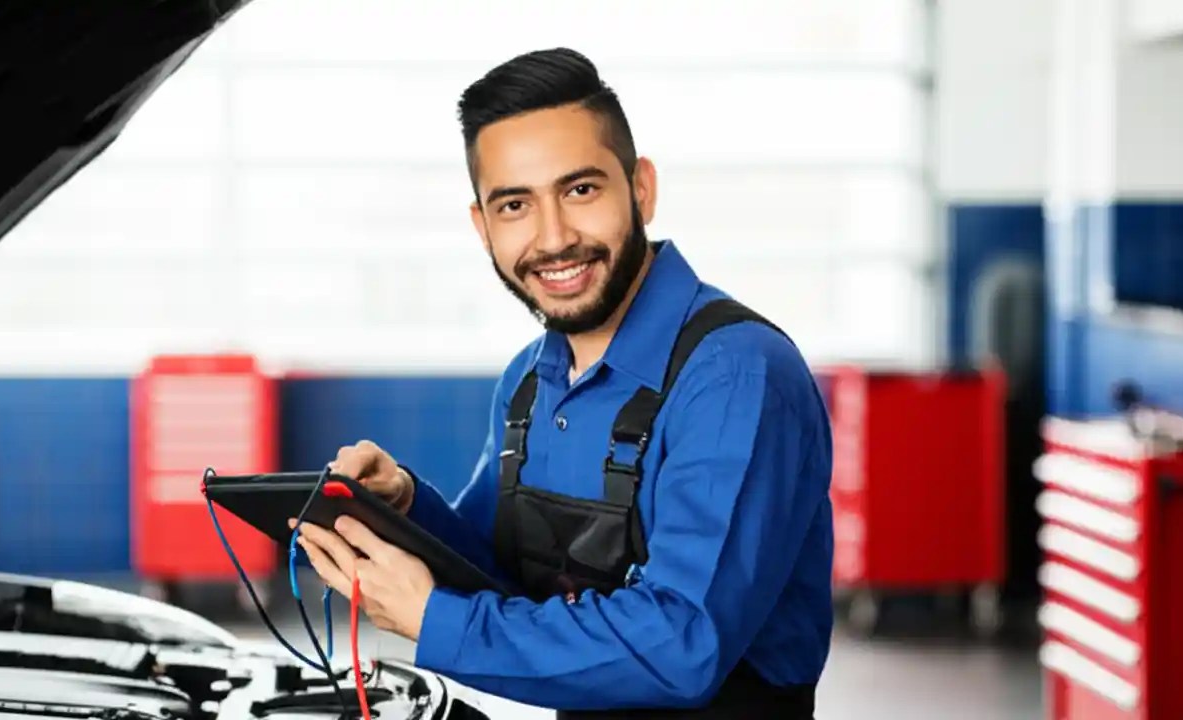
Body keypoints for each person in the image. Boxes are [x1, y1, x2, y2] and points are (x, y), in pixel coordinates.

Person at [291, 47, 834, 719]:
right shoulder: (529, 380)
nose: (553, 238)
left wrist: (436, 622)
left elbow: (683, 645)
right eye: (514, 205)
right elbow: (503, 574)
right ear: (482, 226)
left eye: (580, 190)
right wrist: (404, 510)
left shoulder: (735, 378)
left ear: (641, 189)